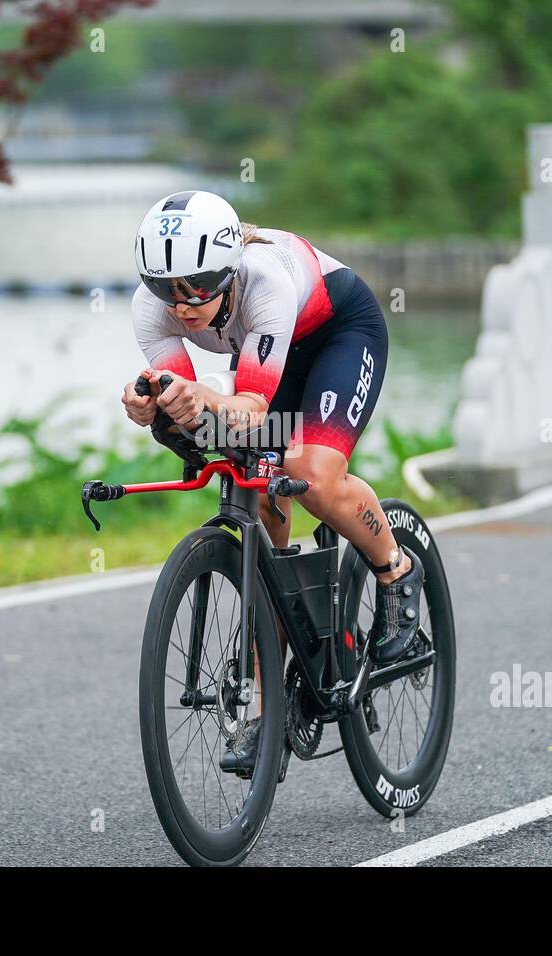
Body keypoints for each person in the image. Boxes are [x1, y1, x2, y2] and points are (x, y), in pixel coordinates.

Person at [121, 189, 423, 774]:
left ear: (229, 270)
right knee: (257, 492)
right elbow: (192, 411)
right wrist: (154, 407)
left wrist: (210, 398)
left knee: (309, 474)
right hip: (268, 356)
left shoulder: (266, 283)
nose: (182, 305)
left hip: (338, 334)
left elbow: (254, 409)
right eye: (167, 288)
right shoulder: (148, 307)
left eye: (199, 285)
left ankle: (396, 570)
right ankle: (273, 694)